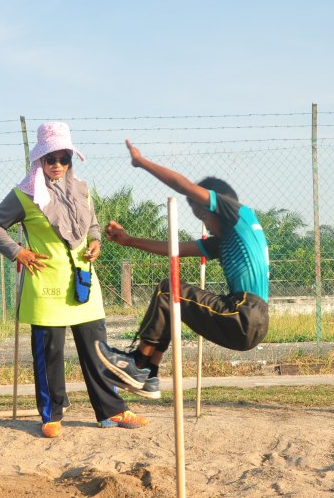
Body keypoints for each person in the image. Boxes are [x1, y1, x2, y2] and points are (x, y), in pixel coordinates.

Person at [0, 122, 147, 438]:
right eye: (50, 158)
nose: (57, 165)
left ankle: (111, 412)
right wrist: (19, 252)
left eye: (64, 158)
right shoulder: (25, 195)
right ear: (39, 161)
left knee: (98, 349)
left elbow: (92, 226)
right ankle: (51, 415)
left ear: (71, 159)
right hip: (46, 288)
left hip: (84, 283)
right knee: (50, 354)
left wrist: (96, 242)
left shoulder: (82, 189)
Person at [96, 141, 270, 397]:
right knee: (171, 302)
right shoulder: (225, 241)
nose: (206, 225)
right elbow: (174, 248)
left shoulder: (237, 214)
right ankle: (150, 375)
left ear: (216, 206)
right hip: (251, 319)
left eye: (203, 217)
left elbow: (184, 186)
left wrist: (141, 162)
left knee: (168, 291)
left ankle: (138, 364)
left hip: (243, 313)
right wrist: (128, 240)